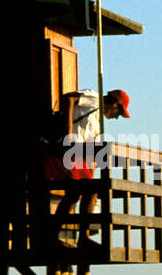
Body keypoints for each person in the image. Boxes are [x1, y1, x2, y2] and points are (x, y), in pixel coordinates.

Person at [45, 88, 131, 245]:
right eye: (119, 113)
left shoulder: (98, 124)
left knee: (90, 191)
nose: (117, 117)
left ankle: (83, 237)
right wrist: (68, 132)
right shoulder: (94, 98)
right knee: (75, 190)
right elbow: (68, 98)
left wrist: (91, 173)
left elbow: (92, 151)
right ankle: (51, 237)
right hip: (59, 150)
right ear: (115, 104)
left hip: (76, 155)